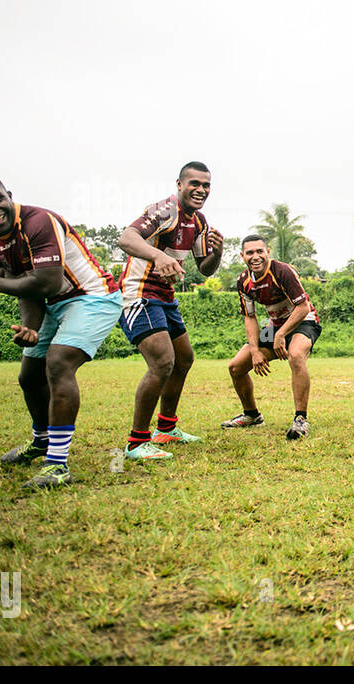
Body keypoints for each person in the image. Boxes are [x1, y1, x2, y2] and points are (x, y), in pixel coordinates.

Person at [0, 172, 122, 490]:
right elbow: (29, 291)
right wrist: (30, 328)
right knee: (29, 375)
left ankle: (57, 465)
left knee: (58, 362)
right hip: (53, 304)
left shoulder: (39, 221)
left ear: (8, 194)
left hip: (93, 297)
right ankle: (42, 441)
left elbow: (46, 281)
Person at [116, 162, 223, 461]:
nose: (201, 190)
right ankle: (137, 442)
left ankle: (166, 428)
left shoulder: (199, 221)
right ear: (179, 184)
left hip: (165, 296)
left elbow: (205, 270)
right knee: (163, 362)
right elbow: (126, 238)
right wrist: (157, 255)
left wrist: (218, 252)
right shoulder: (165, 210)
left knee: (184, 359)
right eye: (194, 184)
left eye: (206, 185)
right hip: (139, 293)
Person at [221, 235, 322, 439]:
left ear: (268, 252)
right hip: (275, 326)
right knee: (236, 367)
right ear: (242, 256)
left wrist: (282, 334)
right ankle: (252, 415)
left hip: (304, 320)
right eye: (250, 252)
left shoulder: (282, 271)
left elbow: (303, 308)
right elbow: (250, 317)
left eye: (260, 251)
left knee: (295, 355)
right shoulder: (244, 281)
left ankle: (300, 419)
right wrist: (256, 350)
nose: (255, 256)